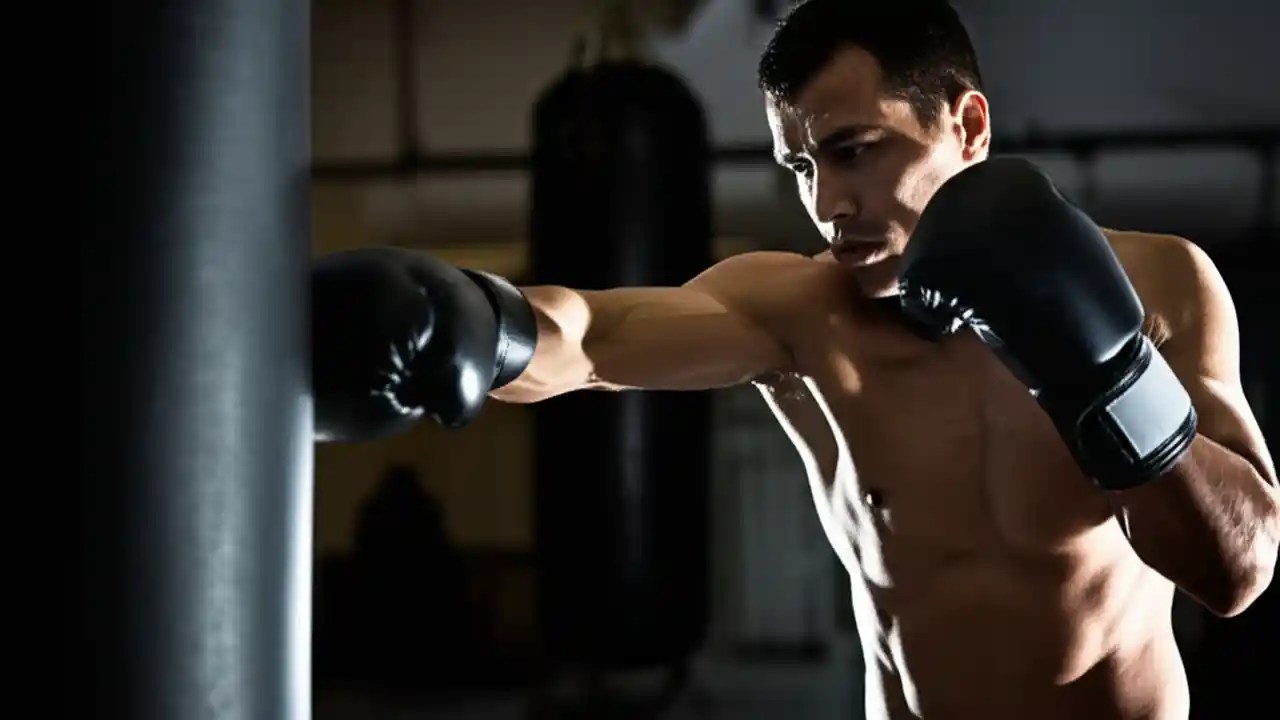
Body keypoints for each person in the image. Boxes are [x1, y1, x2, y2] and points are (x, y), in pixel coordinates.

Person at [310, 1, 1278, 717]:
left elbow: (1237, 571)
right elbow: (596, 338)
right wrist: (479, 323)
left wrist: (1104, 376)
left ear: (967, 124)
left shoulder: (1160, 282)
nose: (825, 204)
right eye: (803, 166)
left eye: (854, 151)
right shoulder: (803, 314)